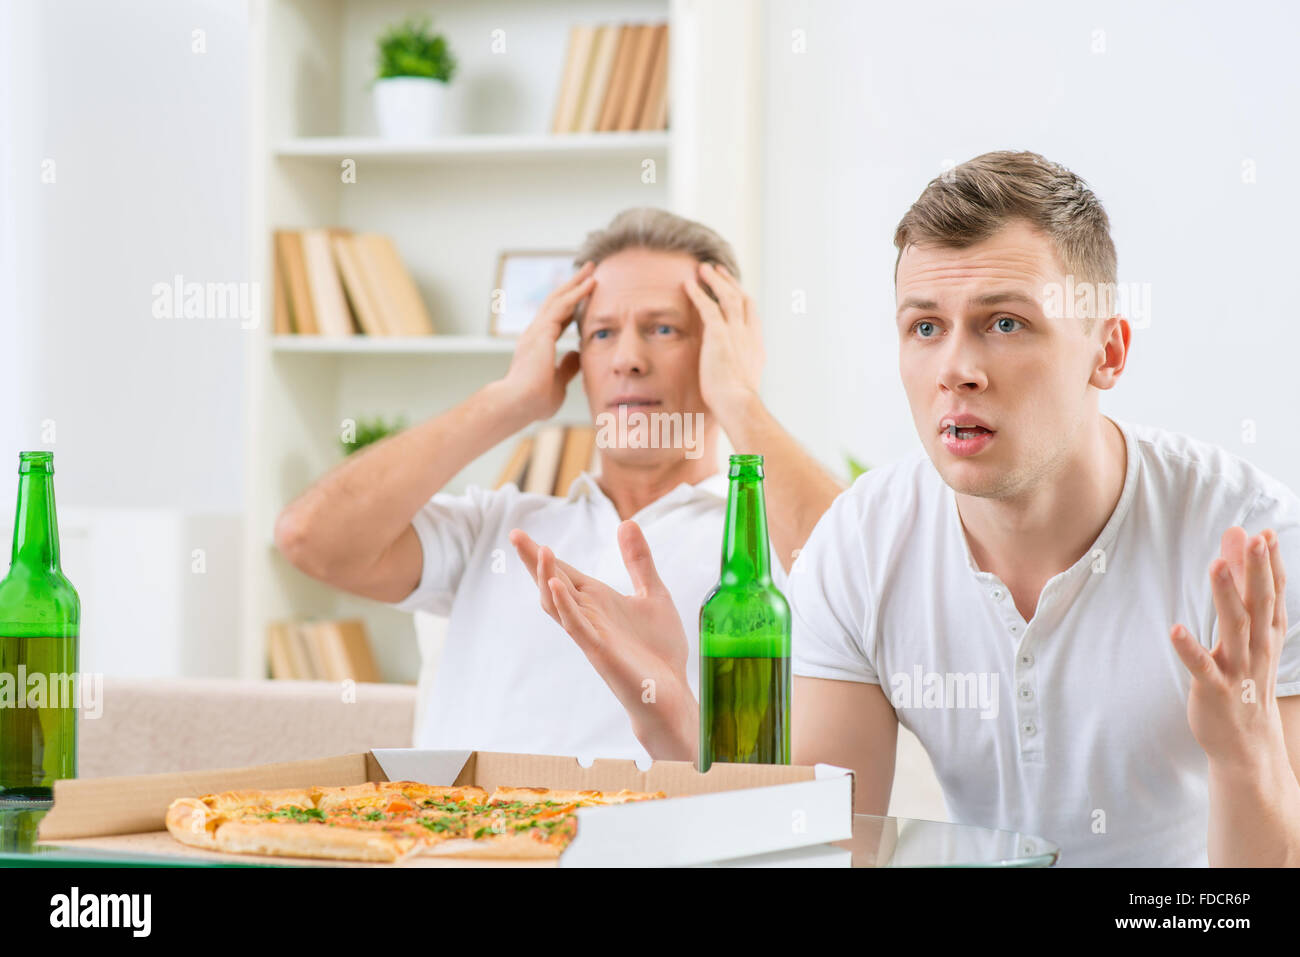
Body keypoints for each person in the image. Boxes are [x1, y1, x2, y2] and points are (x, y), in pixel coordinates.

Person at [510, 151, 1300, 866]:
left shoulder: (1251, 551)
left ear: (1109, 351)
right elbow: (821, 850)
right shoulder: (863, 540)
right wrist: (675, 718)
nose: (957, 368)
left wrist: (1246, 759)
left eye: (1005, 322)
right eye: (925, 326)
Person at [274, 207, 842, 762]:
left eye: (663, 328)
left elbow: (863, 587)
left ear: (725, 347)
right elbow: (310, 537)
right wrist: (509, 400)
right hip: (460, 849)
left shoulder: (765, 550)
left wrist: (738, 398)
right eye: (600, 334)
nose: (627, 359)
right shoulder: (495, 529)